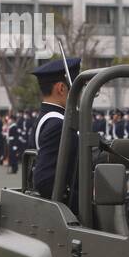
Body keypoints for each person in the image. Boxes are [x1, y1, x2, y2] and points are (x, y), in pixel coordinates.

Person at [31, 56, 82, 205]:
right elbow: (46, 180)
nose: (79, 94)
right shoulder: (58, 125)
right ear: (61, 88)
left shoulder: (46, 118)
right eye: (77, 88)